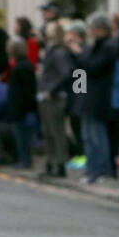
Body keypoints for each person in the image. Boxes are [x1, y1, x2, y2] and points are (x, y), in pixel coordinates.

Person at [70, 14, 117, 183]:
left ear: (100, 29)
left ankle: (103, 171)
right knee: (87, 136)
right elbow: (80, 71)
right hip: (87, 97)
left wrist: (78, 53)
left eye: (92, 28)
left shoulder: (108, 46)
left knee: (98, 136)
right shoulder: (94, 46)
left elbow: (92, 67)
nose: (90, 31)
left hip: (99, 98)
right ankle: (92, 170)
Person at [37, 21, 74, 178]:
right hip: (46, 96)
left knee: (56, 132)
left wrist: (51, 90)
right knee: (48, 131)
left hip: (54, 97)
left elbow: (66, 73)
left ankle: (59, 164)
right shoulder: (51, 50)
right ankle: (51, 162)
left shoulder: (59, 52)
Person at [5, 37, 38, 169]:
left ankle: (25, 161)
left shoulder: (21, 67)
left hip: (22, 109)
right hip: (23, 108)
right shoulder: (22, 65)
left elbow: (24, 91)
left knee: (23, 137)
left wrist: (19, 109)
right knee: (21, 136)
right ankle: (23, 160)